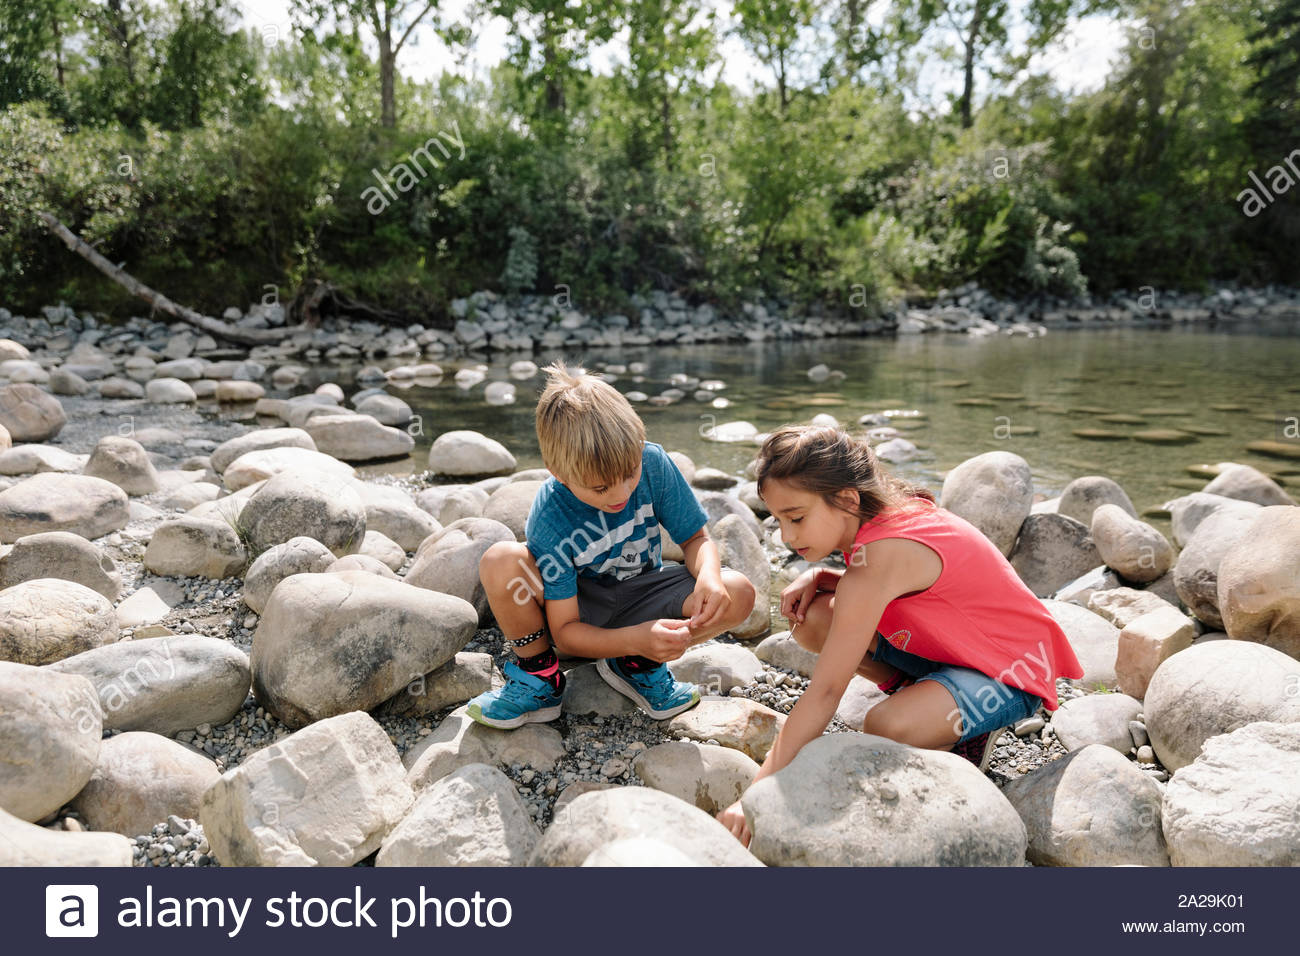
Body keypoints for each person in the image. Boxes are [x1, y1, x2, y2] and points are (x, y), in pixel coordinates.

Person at [716, 425, 1083, 847]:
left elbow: (825, 692)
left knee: (886, 725)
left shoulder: (880, 557)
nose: (786, 536)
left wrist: (755, 795)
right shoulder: (884, 516)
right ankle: (924, 693)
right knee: (814, 618)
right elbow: (923, 588)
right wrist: (829, 576)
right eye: (777, 520)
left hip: (1010, 675)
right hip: (957, 652)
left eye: (796, 518)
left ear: (848, 499)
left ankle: (962, 728)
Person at [467, 361, 757, 729]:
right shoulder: (552, 515)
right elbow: (566, 631)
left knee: (738, 592)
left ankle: (636, 664)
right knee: (500, 560)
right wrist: (635, 637)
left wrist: (710, 579)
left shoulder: (652, 462)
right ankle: (540, 677)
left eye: (629, 474)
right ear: (559, 474)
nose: (620, 494)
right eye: (600, 488)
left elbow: (696, 539)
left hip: (641, 595)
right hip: (576, 611)